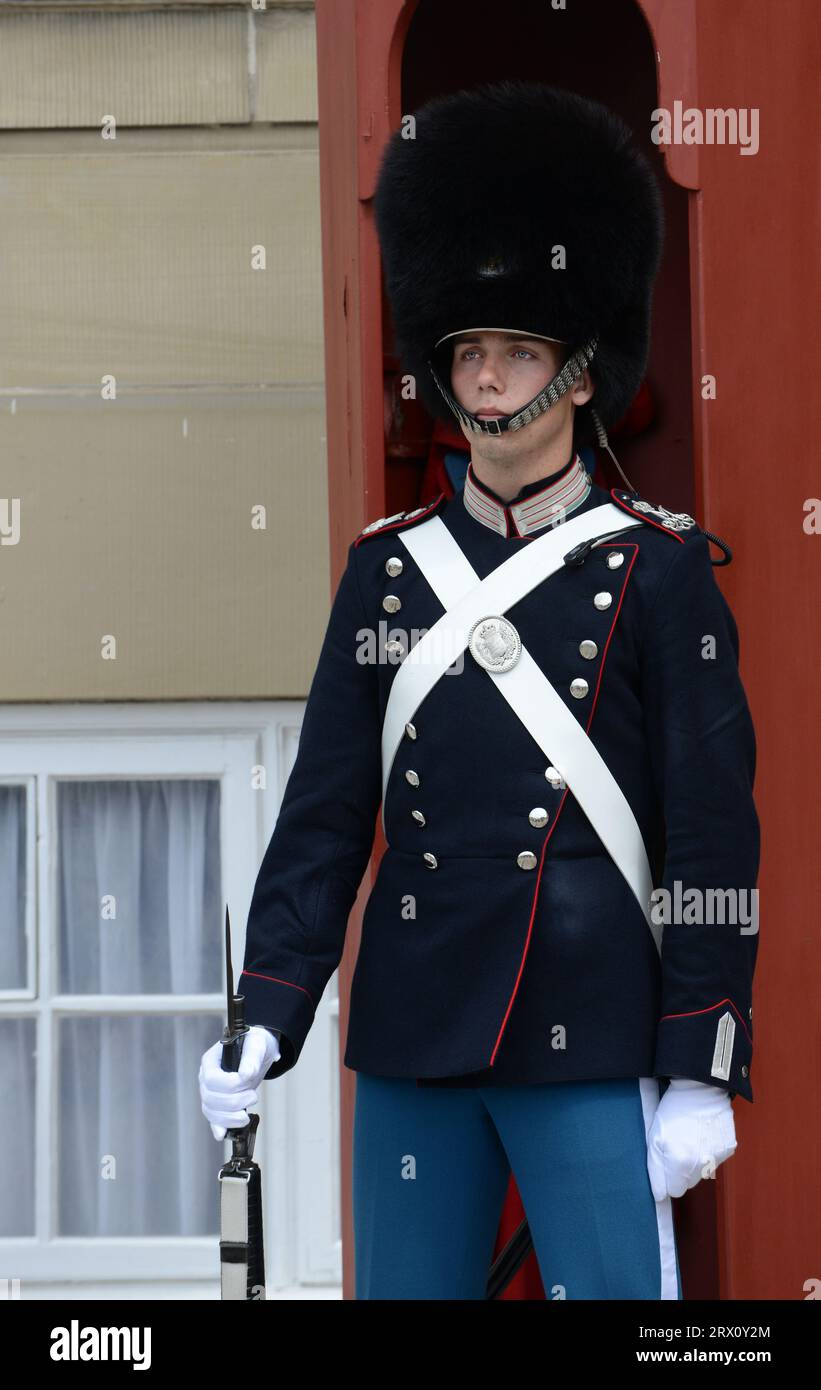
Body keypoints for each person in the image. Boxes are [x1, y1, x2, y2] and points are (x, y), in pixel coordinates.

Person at [199, 81, 760, 1300]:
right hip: (412, 1034)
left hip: (587, 1030)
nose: (490, 377)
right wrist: (271, 1009)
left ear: (577, 371)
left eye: (518, 351)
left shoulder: (657, 572)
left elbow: (709, 834)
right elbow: (326, 815)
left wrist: (703, 1056)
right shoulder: (386, 573)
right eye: (470, 352)